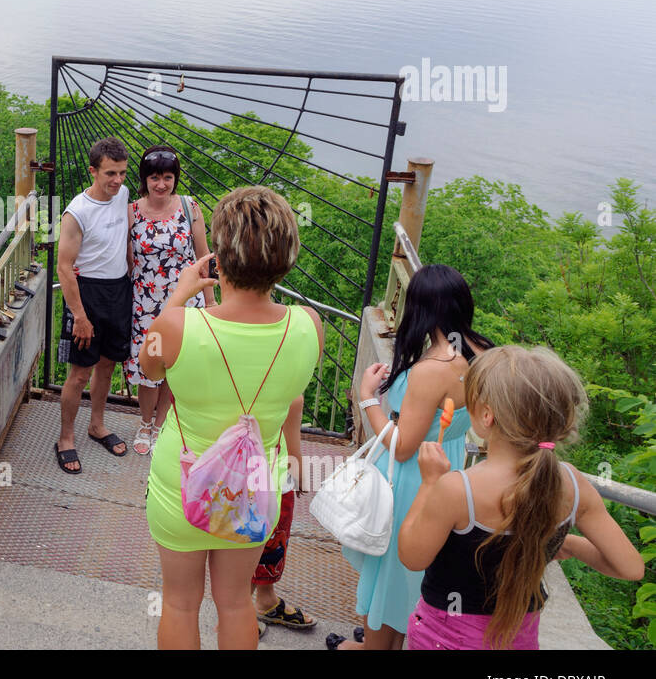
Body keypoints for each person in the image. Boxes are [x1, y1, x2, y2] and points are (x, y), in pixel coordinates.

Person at [140, 186, 323, 649]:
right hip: (255, 485)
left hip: (182, 480)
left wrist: (176, 300)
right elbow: (292, 395)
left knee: (179, 602)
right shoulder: (308, 325)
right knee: (236, 602)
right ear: (286, 257)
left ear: (218, 256)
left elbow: (148, 367)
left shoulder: (180, 326)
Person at [398, 346, 644, 649]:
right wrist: (572, 543)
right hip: (519, 639)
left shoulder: (456, 488)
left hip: (445, 639)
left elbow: (411, 557)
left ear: (486, 415)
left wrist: (429, 483)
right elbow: (631, 568)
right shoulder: (572, 484)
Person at [328, 263, 493, 650]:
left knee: (393, 569)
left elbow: (402, 446)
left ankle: (375, 645)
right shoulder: (483, 351)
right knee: (418, 574)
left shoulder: (432, 368)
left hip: (414, 476)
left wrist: (368, 397)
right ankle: (392, 637)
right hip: (449, 462)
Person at [54, 137, 132, 474]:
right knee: (79, 372)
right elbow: (63, 269)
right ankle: (65, 437)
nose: (117, 180)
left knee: (107, 364)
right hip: (87, 294)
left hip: (119, 289)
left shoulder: (124, 195)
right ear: (93, 171)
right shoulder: (78, 212)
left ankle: (97, 425)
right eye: (110, 173)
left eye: (122, 173)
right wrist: (80, 317)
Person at [124, 145, 209, 455]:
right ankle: (144, 423)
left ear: (176, 179)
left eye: (168, 177)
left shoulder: (190, 207)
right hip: (145, 304)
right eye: (155, 177)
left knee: (174, 365)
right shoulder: (132, 210)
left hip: (186, 301)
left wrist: (210, 302)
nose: (161, 184)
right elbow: (124, 257)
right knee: (149, 366)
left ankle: (160, 425)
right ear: (144, 179)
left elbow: (203, 258)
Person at [252, 396, 318, 633]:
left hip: (235, 479)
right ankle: (236, 615)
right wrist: (299, 475)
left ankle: (266, 599)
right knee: (267, 548)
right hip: (274, 483)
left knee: (244, 547)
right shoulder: (291, 394)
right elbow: (291, 446)